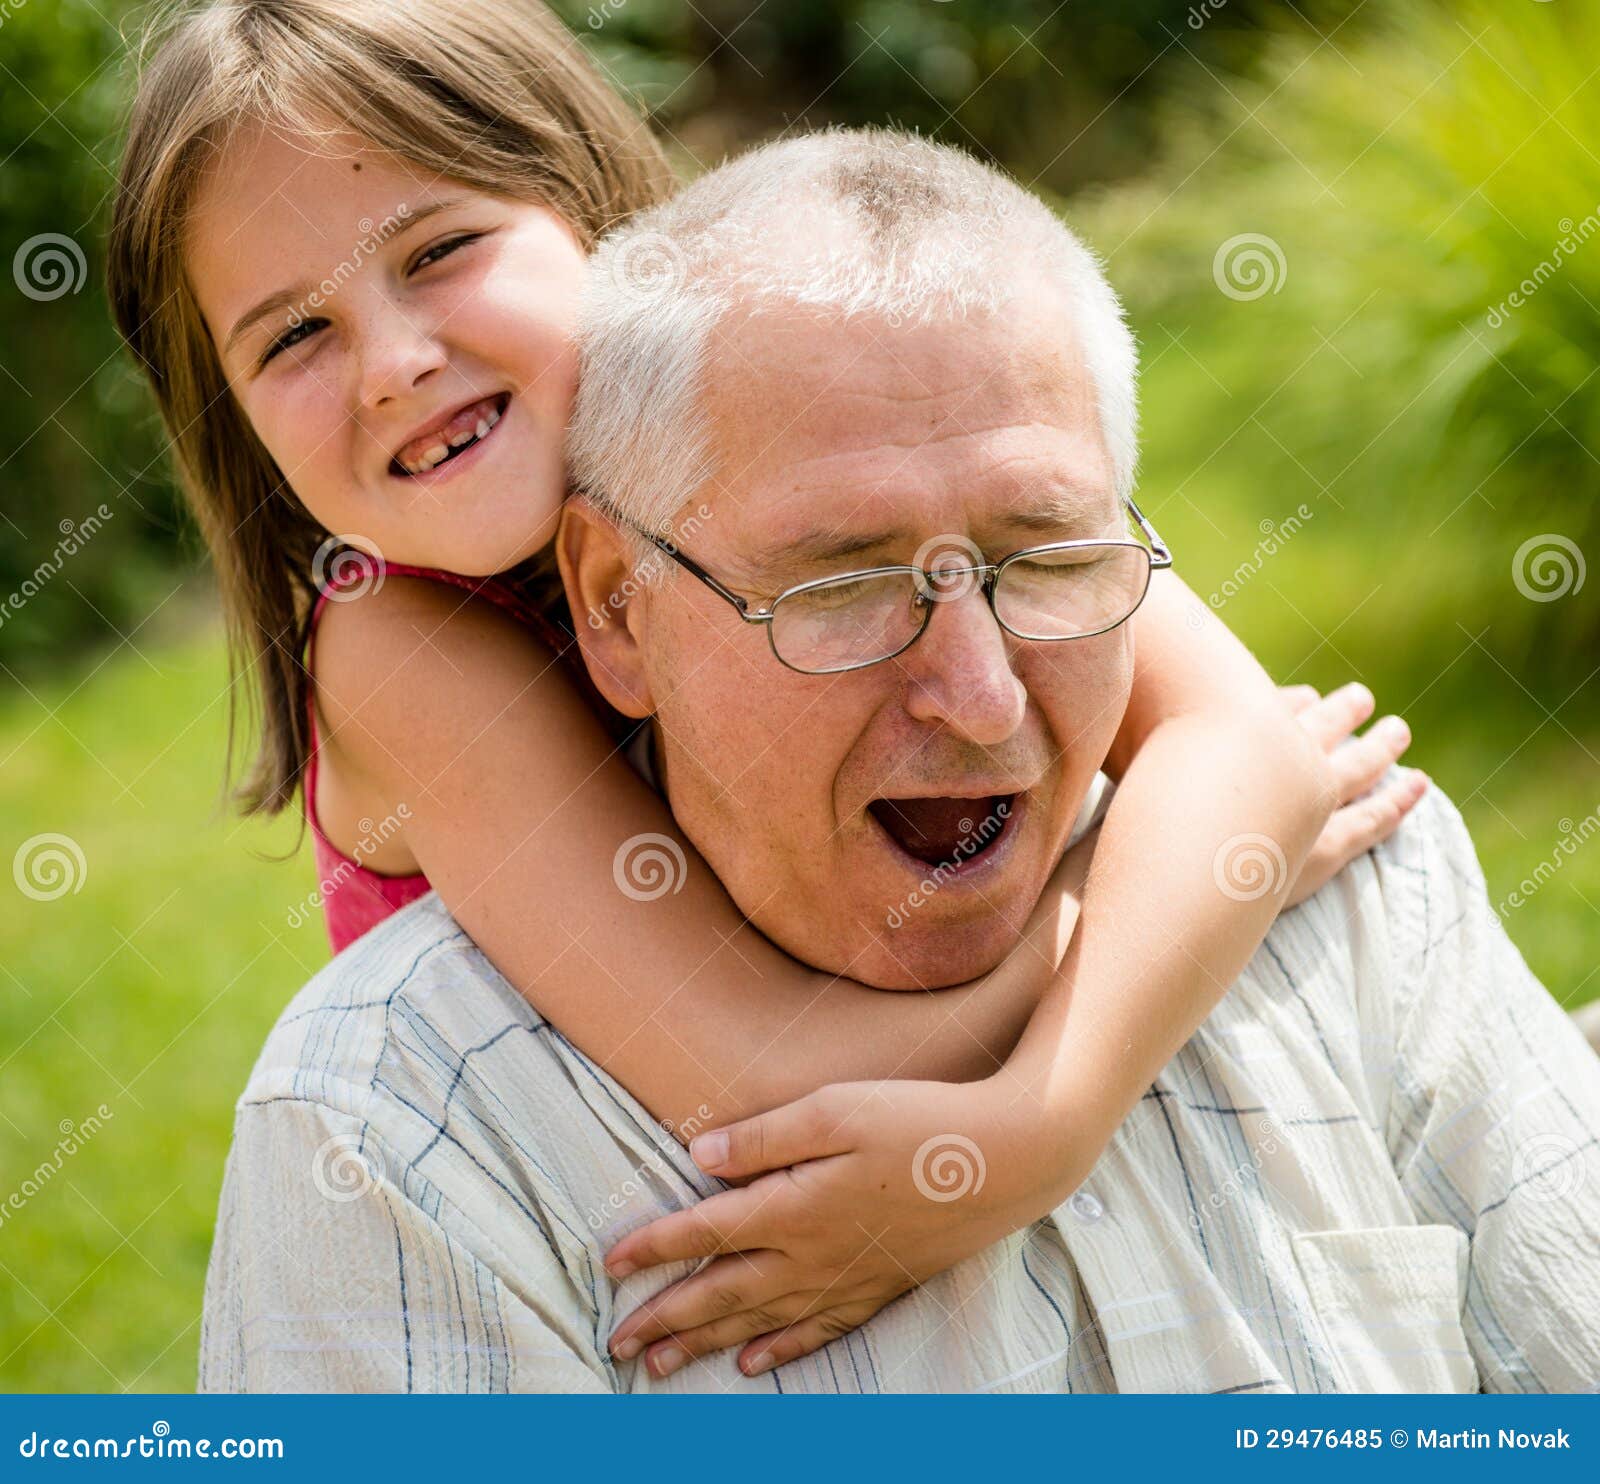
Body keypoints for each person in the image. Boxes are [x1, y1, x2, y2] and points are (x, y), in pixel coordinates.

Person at [107, 0, 1426, 1379]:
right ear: (232, 418)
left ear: (592, 219)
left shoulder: (801, 439)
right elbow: (759, 1070)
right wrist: (1061, 1064)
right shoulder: (391, 645)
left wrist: (1058, 1105)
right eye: (290, 338)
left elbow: (1242, 740)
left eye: (439, 252)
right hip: (601, 1266)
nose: (392, 365)